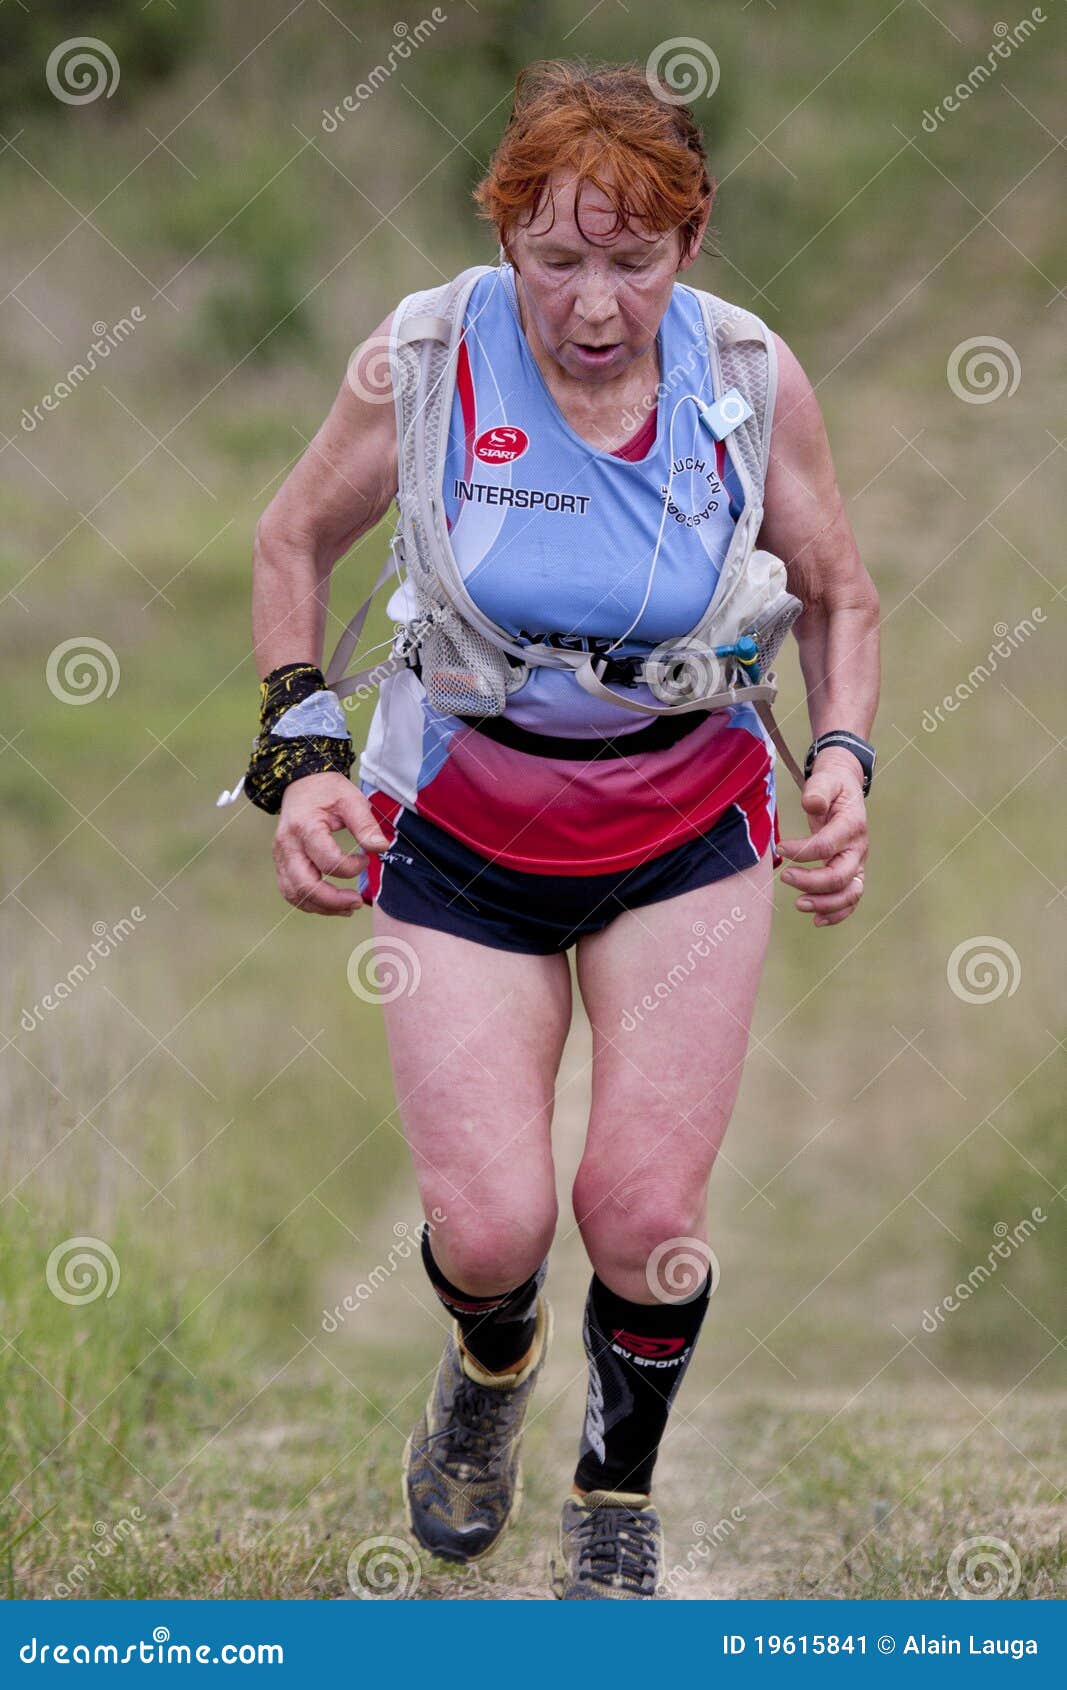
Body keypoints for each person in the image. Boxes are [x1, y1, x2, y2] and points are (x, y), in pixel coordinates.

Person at [243, 59, 880, 1599]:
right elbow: (291, 541)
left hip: (685, 818)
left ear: (691, 240)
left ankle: (615, 1500)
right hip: (462, 818)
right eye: (557, 258)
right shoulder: (427, 353)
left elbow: (839, 590)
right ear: (507, 236)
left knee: (646, 1210)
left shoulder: (748, 375)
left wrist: (847, 755)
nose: (594, 303)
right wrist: (302, 755)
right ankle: (492, 1352)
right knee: (493, 1221)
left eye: (633, 260)